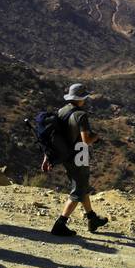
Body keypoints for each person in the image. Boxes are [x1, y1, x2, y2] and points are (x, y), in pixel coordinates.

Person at [42, 83, 108, 237]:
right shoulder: (81, 115)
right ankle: (60, 224)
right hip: (79, 155)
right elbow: (86, 140)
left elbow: (53, 136)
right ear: (82, 98)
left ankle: (92, 218)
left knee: (82, 186)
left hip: (66, 154)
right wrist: (96, 136)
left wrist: (47, 157)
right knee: (78, 190)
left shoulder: (62, 111)